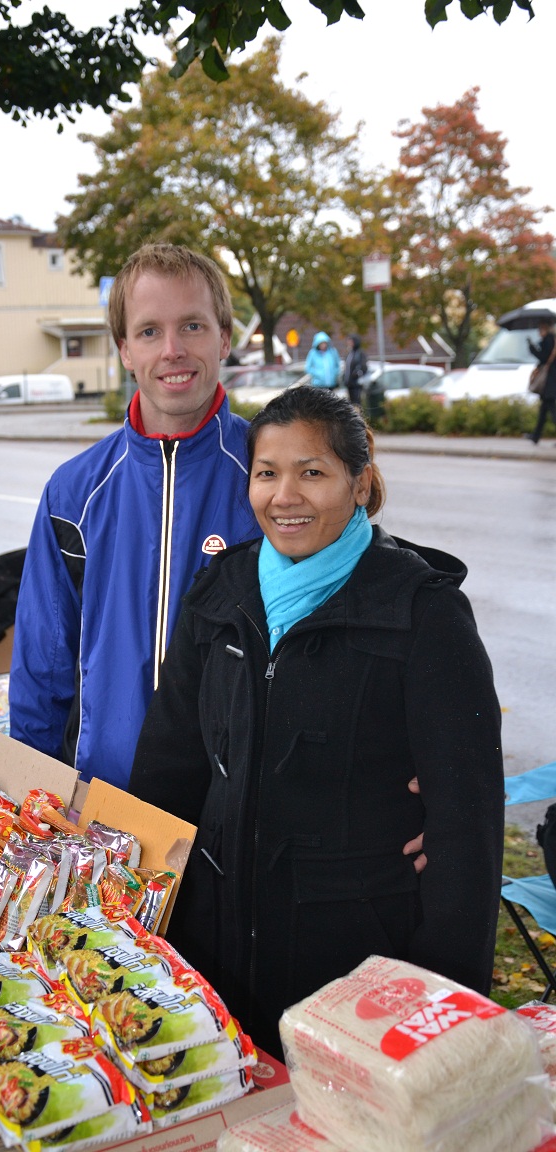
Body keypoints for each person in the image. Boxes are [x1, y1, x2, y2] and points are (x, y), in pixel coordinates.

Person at [129, 385, 504, 1058]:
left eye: (313, 473)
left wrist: (444, 1009)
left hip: (355, 969)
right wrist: (143, 925)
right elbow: (168, 765)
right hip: (213, 954)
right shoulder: (221, 592)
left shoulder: (422, 615)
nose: (285, 496)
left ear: (359, 484)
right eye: (267, 474)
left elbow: (465, 826)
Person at [8, 244, 260, 789]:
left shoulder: (271, 477)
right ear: (124, 349)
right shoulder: (73, 493)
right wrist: (26, 791)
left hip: (238, 809)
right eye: (149, 332)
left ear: (224, 338)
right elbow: (42, 667)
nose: (173, 349)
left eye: (192, 325)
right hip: (107, 798)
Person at [525, 320, 556, 444]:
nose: (539, 332)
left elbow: (543, 357)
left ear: (545, 329)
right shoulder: (552, 340)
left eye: (540, 329)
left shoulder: (549, 340)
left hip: (550, 380)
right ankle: (536, 436)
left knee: (552, 410)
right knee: (543, 410)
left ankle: (536, 436)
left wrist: (531, 347)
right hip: (551, 379)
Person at [342, 334, 367, 407]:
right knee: (351, 403)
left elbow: (364, 368)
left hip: (356, 384)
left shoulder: (360, 353)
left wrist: (356, 374)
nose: (349, 343)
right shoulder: (349, 353)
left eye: (351, 341)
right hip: (349, 384)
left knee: (357, 403)